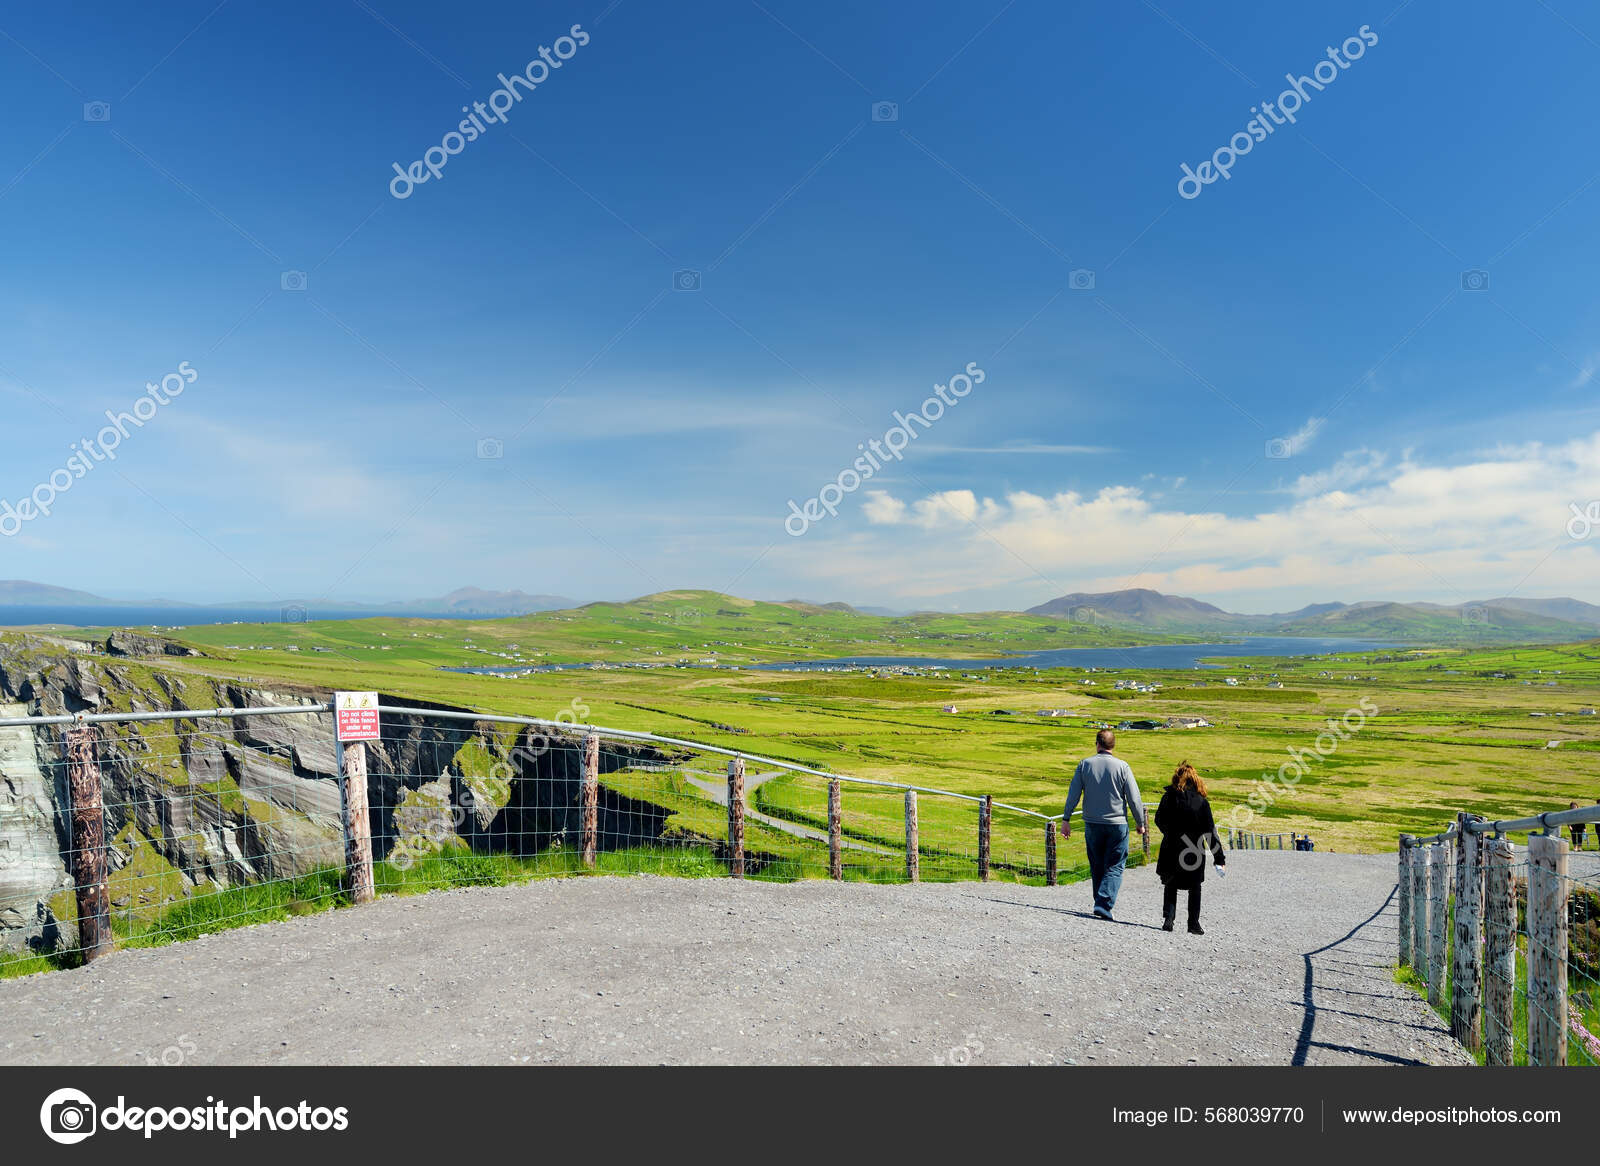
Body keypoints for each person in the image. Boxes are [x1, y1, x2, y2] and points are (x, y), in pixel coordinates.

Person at [1061, 728, 1145, 921]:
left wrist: (1066, 819)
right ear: (1113, 745)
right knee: (1115, 865)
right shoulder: (1123, 767)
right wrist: (1140, 822)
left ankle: (1099, 901)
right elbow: (1134, 797)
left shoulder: (1085, 765)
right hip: (1117, 824)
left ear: (1097, 743)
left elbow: (1073, 793)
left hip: (1092, 823)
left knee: (1097, 864)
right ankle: (1103, 903)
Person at [1155, 761, 1225, 934]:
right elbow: (1210, 832)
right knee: (1195, 886)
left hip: (1171, 846)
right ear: (1195, 780)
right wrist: (1219, 858)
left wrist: (1168, 832)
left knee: (1170, 884)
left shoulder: (1168, 797)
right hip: (1194, 850)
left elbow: (1158, 819)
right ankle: (1193, 923)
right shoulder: (1201, 802)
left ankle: (1169, 919)